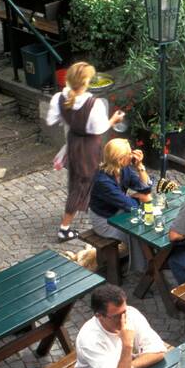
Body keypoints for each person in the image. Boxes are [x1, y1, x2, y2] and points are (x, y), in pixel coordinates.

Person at [47, 61, 125, 242]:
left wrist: (70, 120)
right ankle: (64, 228)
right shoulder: (93, 104)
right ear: (86, 82)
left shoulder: (59, 97)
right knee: (80, 184)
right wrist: (113, 119)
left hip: (73, 141)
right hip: (88, 148)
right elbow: (98, 129)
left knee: (81, 179)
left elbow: (52, 120)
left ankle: (96, 204)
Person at [74, 284, 167, 368]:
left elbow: (159, 351)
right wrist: (127, 344)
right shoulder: (89, 339)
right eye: (117, 316)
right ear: (99, 315)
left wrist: (129, 367)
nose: (124, 319)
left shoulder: (131, 313)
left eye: (124, 312)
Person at [88, 138, 152, 274]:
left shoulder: (125, 170)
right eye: (129, 153)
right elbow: (131, 205)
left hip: (119, 210)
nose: (132, 155)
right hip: (104, 221)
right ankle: (144, 268)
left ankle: (149, 259)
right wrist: (137, 197)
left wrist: (140, 166)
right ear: (120, 159)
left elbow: (145, 189)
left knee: (145, 224)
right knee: (136, 232)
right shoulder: (102, 181)